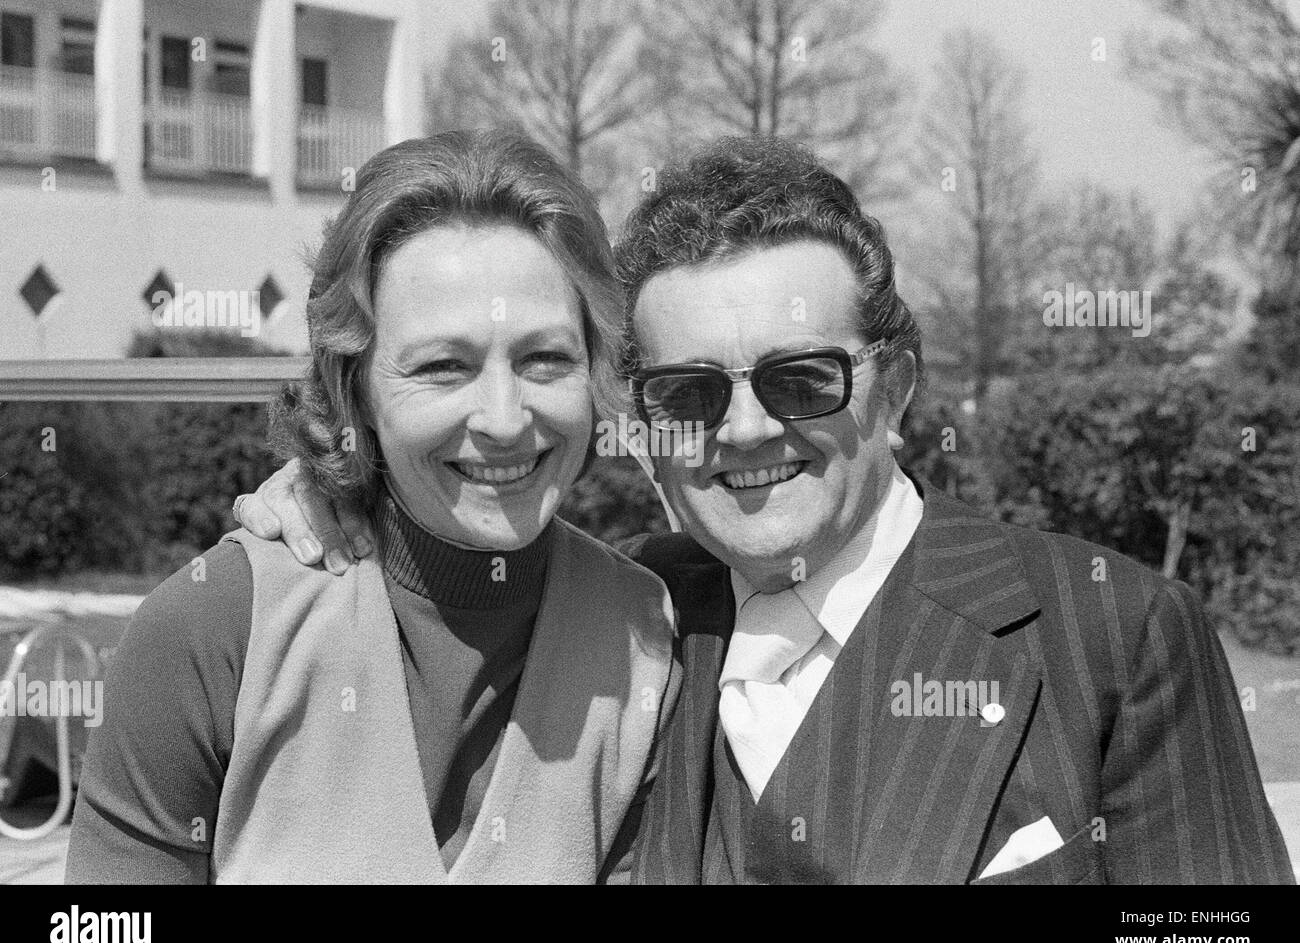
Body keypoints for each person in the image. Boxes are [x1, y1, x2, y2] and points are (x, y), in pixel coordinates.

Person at [230, 136, 1294, 884]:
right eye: (689, 395)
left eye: (799, 381)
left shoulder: (1113, 635)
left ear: (896, 386)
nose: (742, 432)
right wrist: (336, 503)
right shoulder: (623, 619)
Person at [64, 130, 678, 884]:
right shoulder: (215, 629)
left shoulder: (644, 642)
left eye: (545, 358)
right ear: (355, 387)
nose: (504, 417)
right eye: (442, 366)